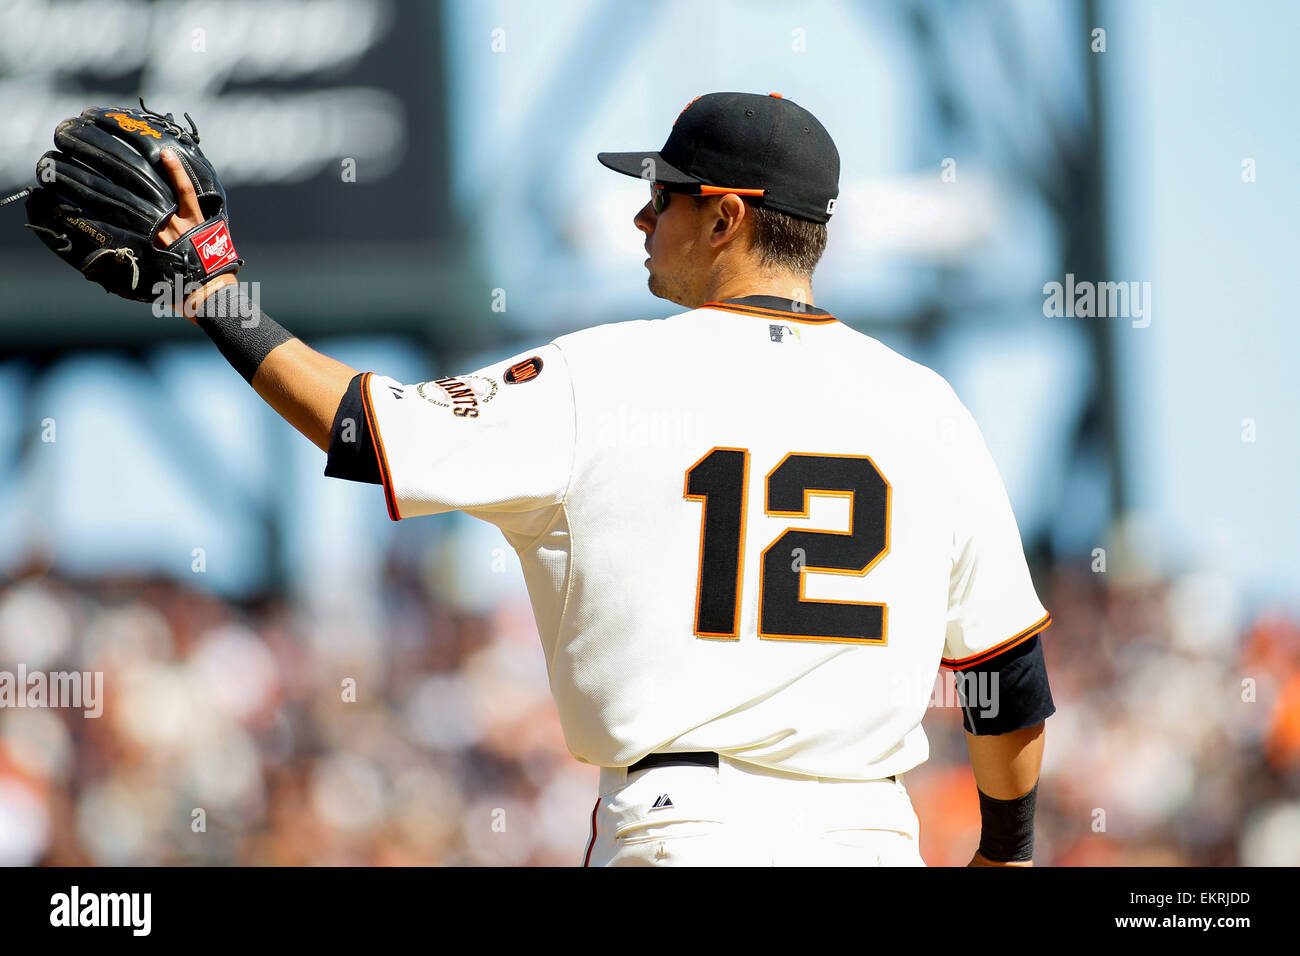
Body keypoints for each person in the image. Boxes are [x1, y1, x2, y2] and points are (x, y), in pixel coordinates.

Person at [162, 91, 1055, 867]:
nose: (640, 218)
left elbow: (364, 426)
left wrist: (214, 285)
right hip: (873, 837)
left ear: (725, 218)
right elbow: (1006, 679)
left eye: (661, 195)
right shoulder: (926, 407)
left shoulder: (605, 376)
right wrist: (1004, 854)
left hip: (686, 832)